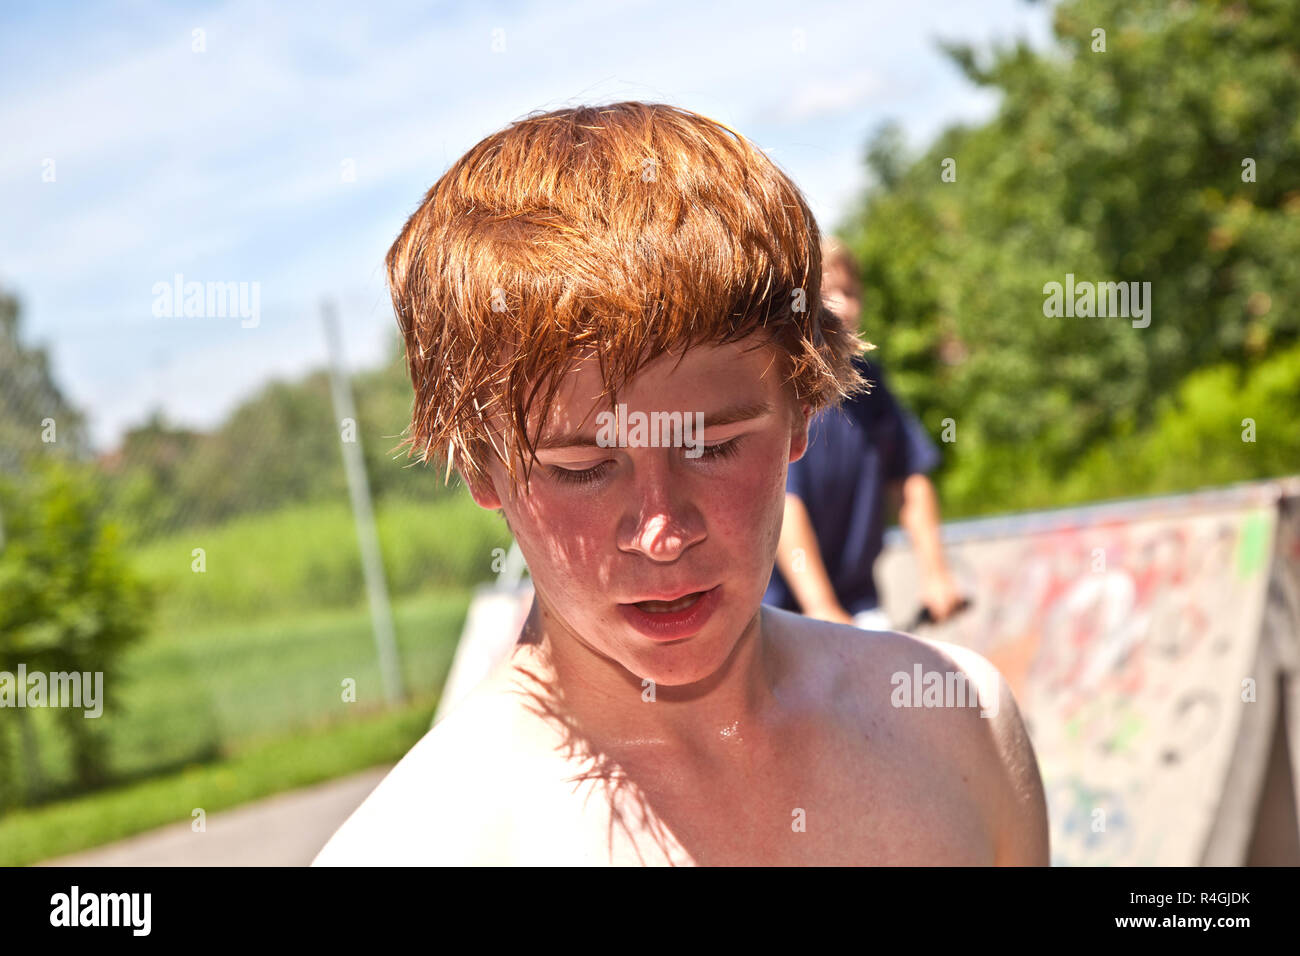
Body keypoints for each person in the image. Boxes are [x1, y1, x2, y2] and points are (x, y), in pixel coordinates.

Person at [313, 101, 1048, 866]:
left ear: (803, 411)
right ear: (478, 464)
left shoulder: (960, 729)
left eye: (715, 448)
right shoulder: (413, 848)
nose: (662, 532)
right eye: (584, 468)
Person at [766, 239, 964, 632]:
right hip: (779, 612)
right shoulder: (785, 386)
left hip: (859, 606)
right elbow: (782, 503)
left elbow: (909, 477)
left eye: (851, 292)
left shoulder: (870, 384)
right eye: (828, 294)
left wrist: (936, 574)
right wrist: (820, 605)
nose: (844, 305)